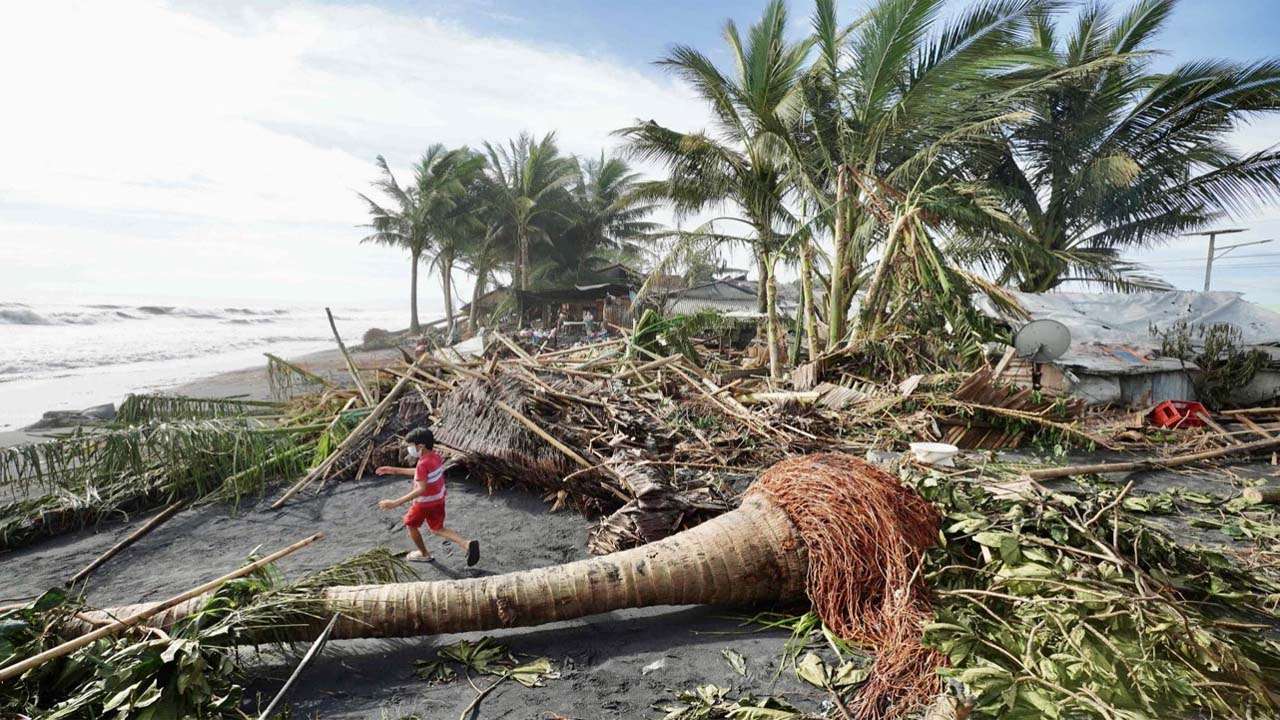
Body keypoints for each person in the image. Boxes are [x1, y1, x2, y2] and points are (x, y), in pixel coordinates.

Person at [376, 427, 480, 566]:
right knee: (437, 528)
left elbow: (421, 488)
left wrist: (395, 502)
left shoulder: (422, 463)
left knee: (410, 525)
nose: (409, 449)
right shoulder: (435, 457)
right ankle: (466, 543)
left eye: (410, 446)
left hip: (423, 503)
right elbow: (422, 474)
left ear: (420, 446)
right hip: (438, 499)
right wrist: (393, 470)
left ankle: (424, 554)